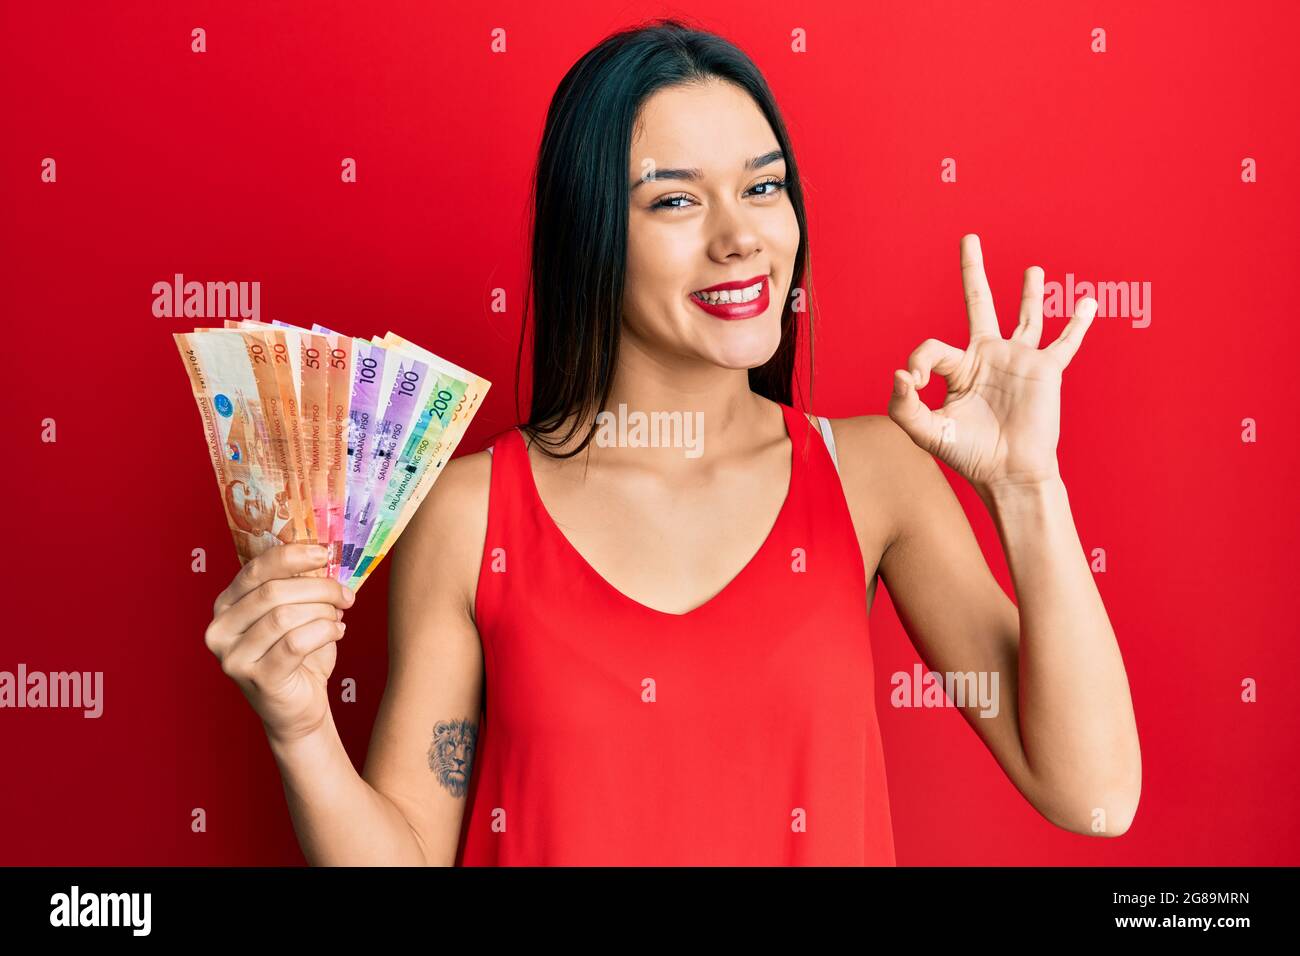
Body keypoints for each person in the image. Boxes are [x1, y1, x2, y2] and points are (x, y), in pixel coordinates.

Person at [202, 18, 1140, 866]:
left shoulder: (875, 476)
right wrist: (300, 730)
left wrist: (1028, 489)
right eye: (676, 202)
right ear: (593, 236)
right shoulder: (471, 512)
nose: (741, 238)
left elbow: (1094, 798)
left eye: (763, 187)